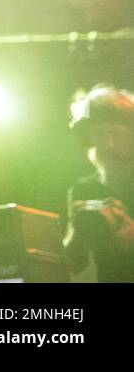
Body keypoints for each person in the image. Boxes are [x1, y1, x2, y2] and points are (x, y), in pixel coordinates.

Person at [63, 84, 134, 281]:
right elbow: (75, 264)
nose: (107, 143)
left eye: (115, 133)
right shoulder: (84, 189)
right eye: (99, 134)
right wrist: (76, 233)